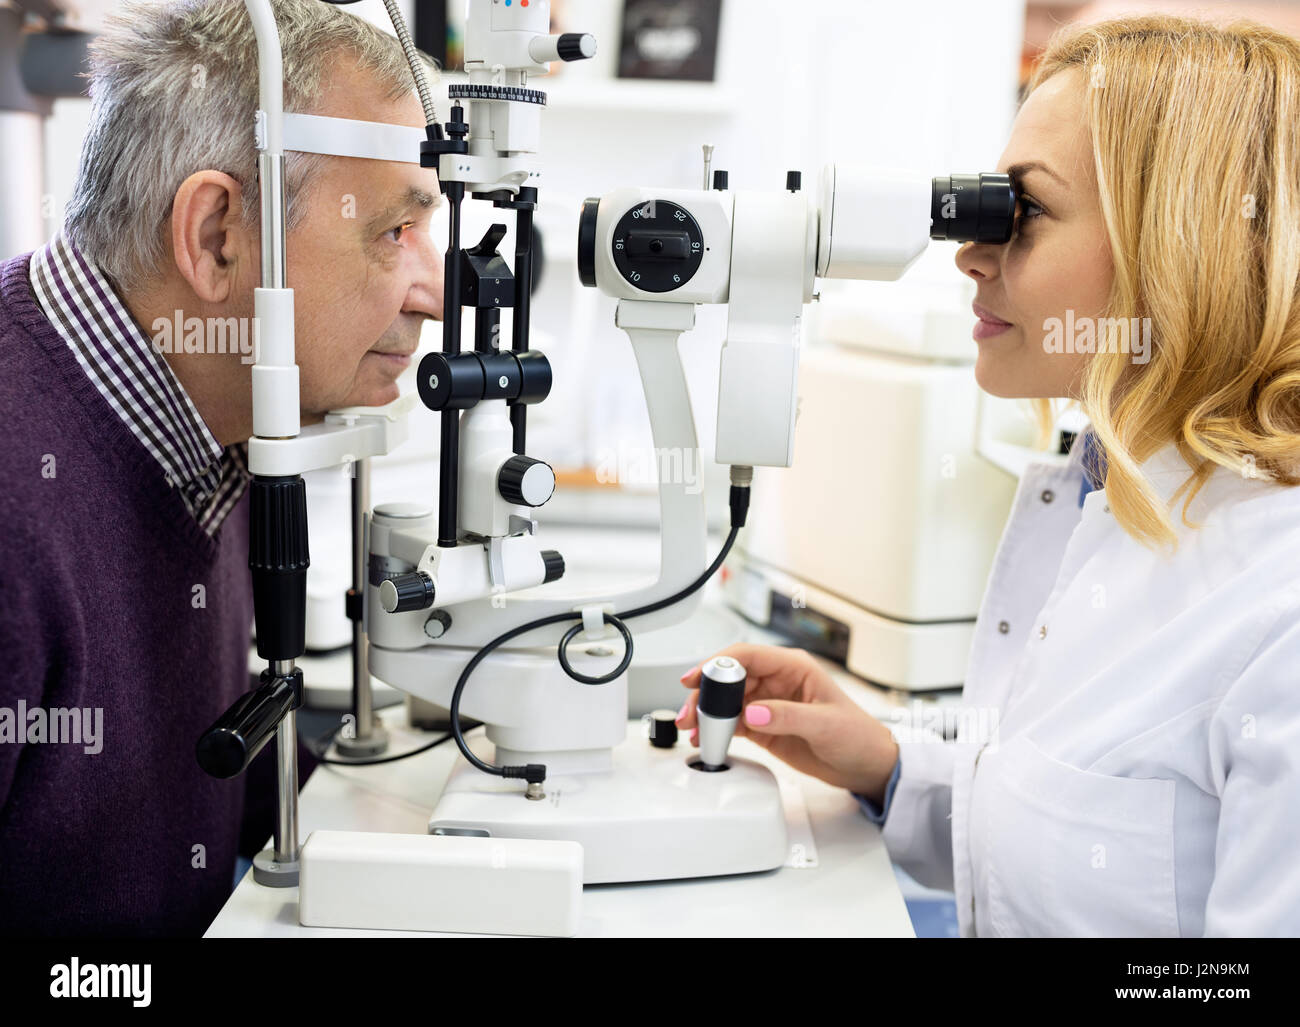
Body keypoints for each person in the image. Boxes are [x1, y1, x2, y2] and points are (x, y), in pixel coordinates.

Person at [679, 13, 1300, 937]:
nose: (970, 254)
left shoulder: (1275, 611)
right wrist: (889, 767)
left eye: (1025, 214)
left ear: (1180, 247)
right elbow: (1071, 845)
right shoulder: (1104, 504)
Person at [0, 0, 444, 936]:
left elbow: (190, 770)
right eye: (394, 232)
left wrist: (411, 834)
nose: (436, 292)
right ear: (217, 236)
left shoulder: (221, 418)